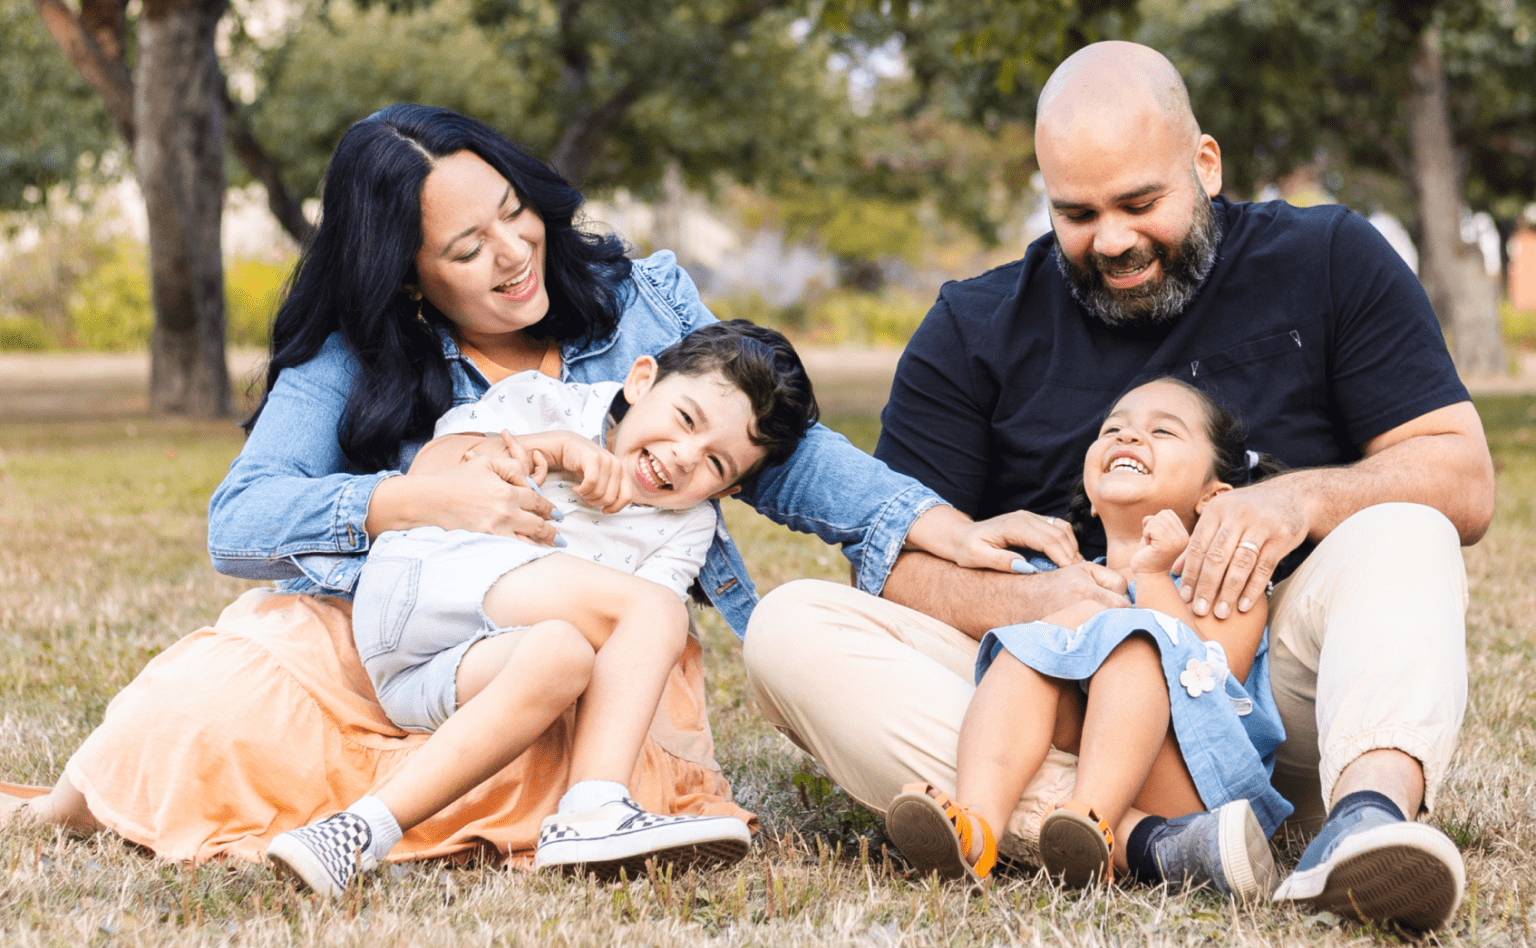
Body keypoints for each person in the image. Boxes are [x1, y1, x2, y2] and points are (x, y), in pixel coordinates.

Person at [0, 105, 1019, 870]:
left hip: (579, 649)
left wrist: (923, 518)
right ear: (408, 274)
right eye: (466, 248)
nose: (514, 251)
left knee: (568, 683)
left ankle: (535, 809)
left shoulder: (634, 305)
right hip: (414, 618)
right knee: (202, 705)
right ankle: (62, 807)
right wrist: (412, 499)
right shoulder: (357, 351)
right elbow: (240, 519)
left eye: (514, 212)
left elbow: (768, 438)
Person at [744, 42, 1493, 933]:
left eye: (1140, 203)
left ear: (1205, 164)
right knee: (790, 629)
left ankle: (1365, 819)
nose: (1112, 241)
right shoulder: (971, 327)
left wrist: (1298, 500)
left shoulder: (1327, 257)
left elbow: (1460, 473)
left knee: (1409, 526)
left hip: (1268, 698)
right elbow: (896, 562)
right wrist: (1036, 603)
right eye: (1077, 212)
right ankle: (1146, 841)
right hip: (1058, 694)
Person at [266, 320, 817, 896]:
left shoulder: (688, 526)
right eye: (686, 419)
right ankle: (593, 807)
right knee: (657, 612)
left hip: (428, 678)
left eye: (716, 464)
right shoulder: (549, 402)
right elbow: (430, 470)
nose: (684, 457)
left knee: (565, 654)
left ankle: (357, 832)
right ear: (641, 380)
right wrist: (550, 448)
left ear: (726, 491)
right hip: (424, 581)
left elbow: (628, 653)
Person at [886, 378, 1289, 899]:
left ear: (1212, 498)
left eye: (1163, 431)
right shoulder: (1071, 582)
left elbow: (1216, 674)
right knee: (1029, 652)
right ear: (1093, 501)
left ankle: (1091, 824)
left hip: (1196, 783)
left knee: (1133, 641)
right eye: (1113, 429)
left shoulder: (1225, 582)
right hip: (1096, 760)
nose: (1129, 437)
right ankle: (978, 826)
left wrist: (1152, 575)